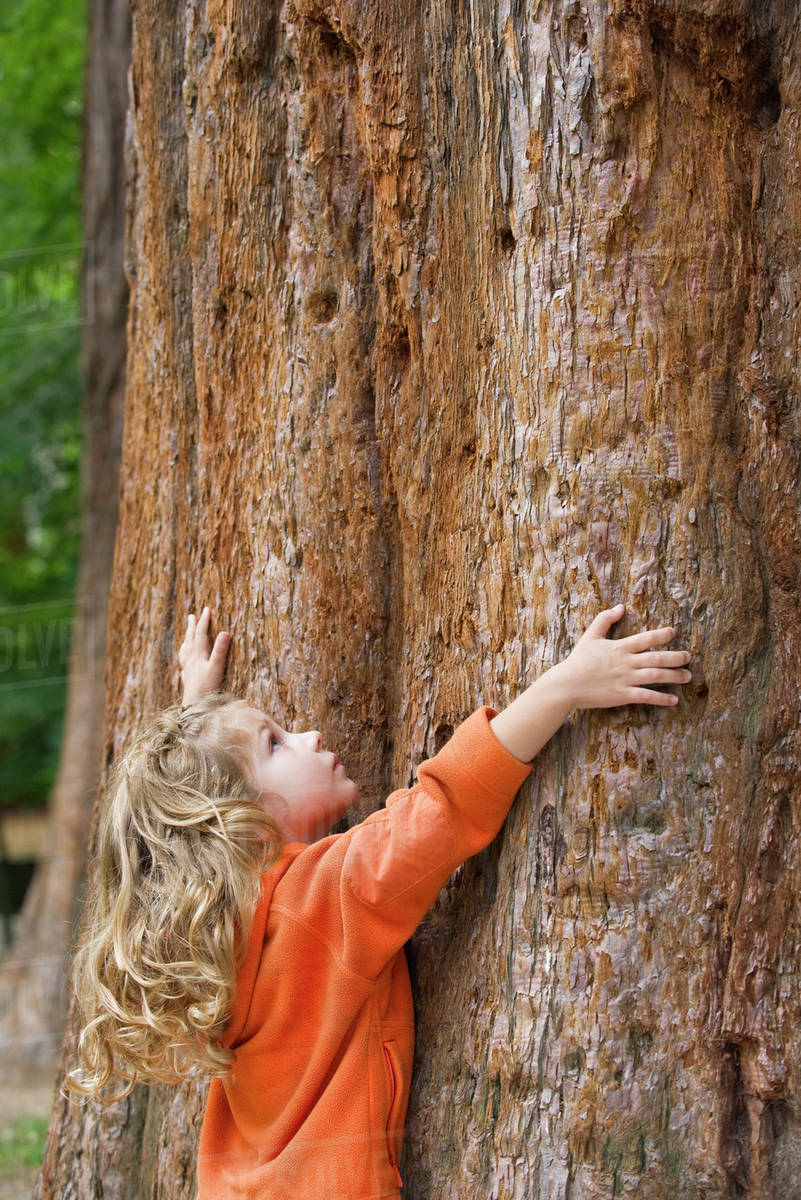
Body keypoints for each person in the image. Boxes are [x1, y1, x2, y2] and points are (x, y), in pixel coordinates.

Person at [63, 602, 693, 1198]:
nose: (307, 735)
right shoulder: (327, 897)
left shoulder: (204, 938)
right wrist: (566, 687)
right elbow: (443, 808)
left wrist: (199, 706)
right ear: (239, 822)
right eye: (277, 743)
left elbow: (189, 827)